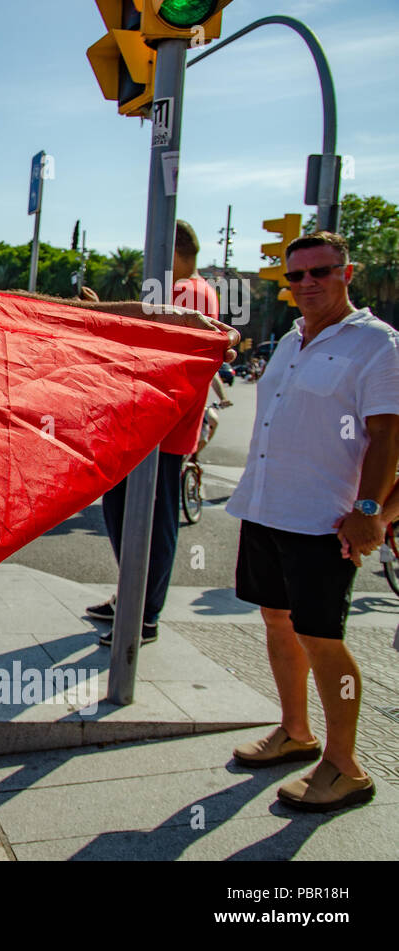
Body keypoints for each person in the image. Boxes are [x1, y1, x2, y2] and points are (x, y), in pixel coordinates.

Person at [226, 231, 399, 812]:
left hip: (324, 522)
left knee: (323, 639)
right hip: (268, 508)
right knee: (278, 620)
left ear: (347, 274)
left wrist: (371, 512)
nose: (305, 284)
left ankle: (346, 766)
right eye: (294, 276)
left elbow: (387, 436)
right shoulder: (290, 340)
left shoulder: (377, 345)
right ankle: (296, 733)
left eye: (319, 272)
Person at [85, 221, 222, 645]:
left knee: (149, 521)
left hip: (161, 428)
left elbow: (145, 345)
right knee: (125, 512)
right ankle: (132, 598)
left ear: (170, 250)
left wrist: (99, 312)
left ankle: (143, 614)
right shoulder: (190, 291)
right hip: (150, 426)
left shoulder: (188, 293)